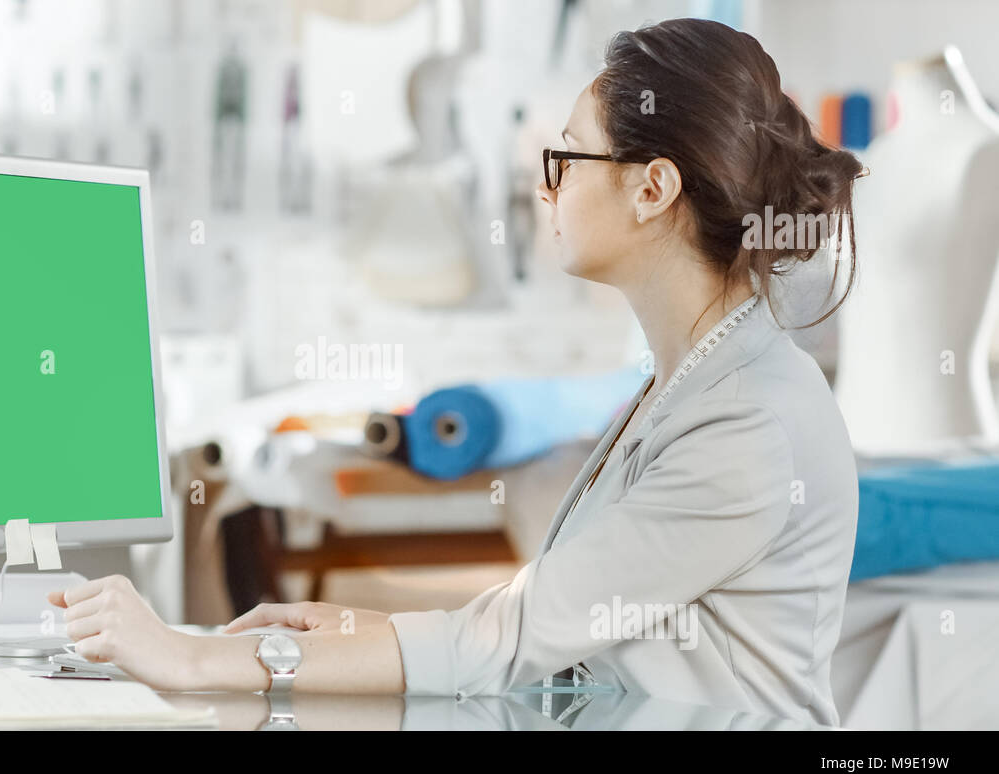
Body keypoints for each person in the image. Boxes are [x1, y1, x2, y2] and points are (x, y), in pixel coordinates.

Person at [47, 17, 865, 726]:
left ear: (652, 187)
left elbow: (507, 641)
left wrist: (188, 659)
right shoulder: (689, 379)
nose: (545, 189)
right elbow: (532, 624)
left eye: (567, 157)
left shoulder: (747, 422)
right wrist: (340, 632)